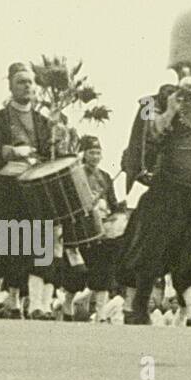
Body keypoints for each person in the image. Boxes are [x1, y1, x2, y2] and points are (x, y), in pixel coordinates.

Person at [117, 1, 191, 326]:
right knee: (152, 247)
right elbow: (148, 138)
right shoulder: (155, 101)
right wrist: (168, 111)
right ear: (185, 67)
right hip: (170, 188)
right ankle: (137, 306)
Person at [0, 62, 54, 319]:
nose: (27, 86)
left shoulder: (44, 123)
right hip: (4, 187)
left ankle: (37, 305)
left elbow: (54, 155)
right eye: (21, 82)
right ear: (10, 85)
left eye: (30, 82)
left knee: (39, 244)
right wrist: (5, 151)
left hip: (34, 188)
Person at [60, 135, 122, 322]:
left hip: (100, 229)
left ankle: (101, 314)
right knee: (76, 275)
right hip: (80, 229)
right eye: (91, 152)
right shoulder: (75, 175)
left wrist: (115, 210)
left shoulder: (105, 177)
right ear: (83, 154)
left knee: (104, 272)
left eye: (98, 153)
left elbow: (113, 202)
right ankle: (68, 304)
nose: (95, 156)